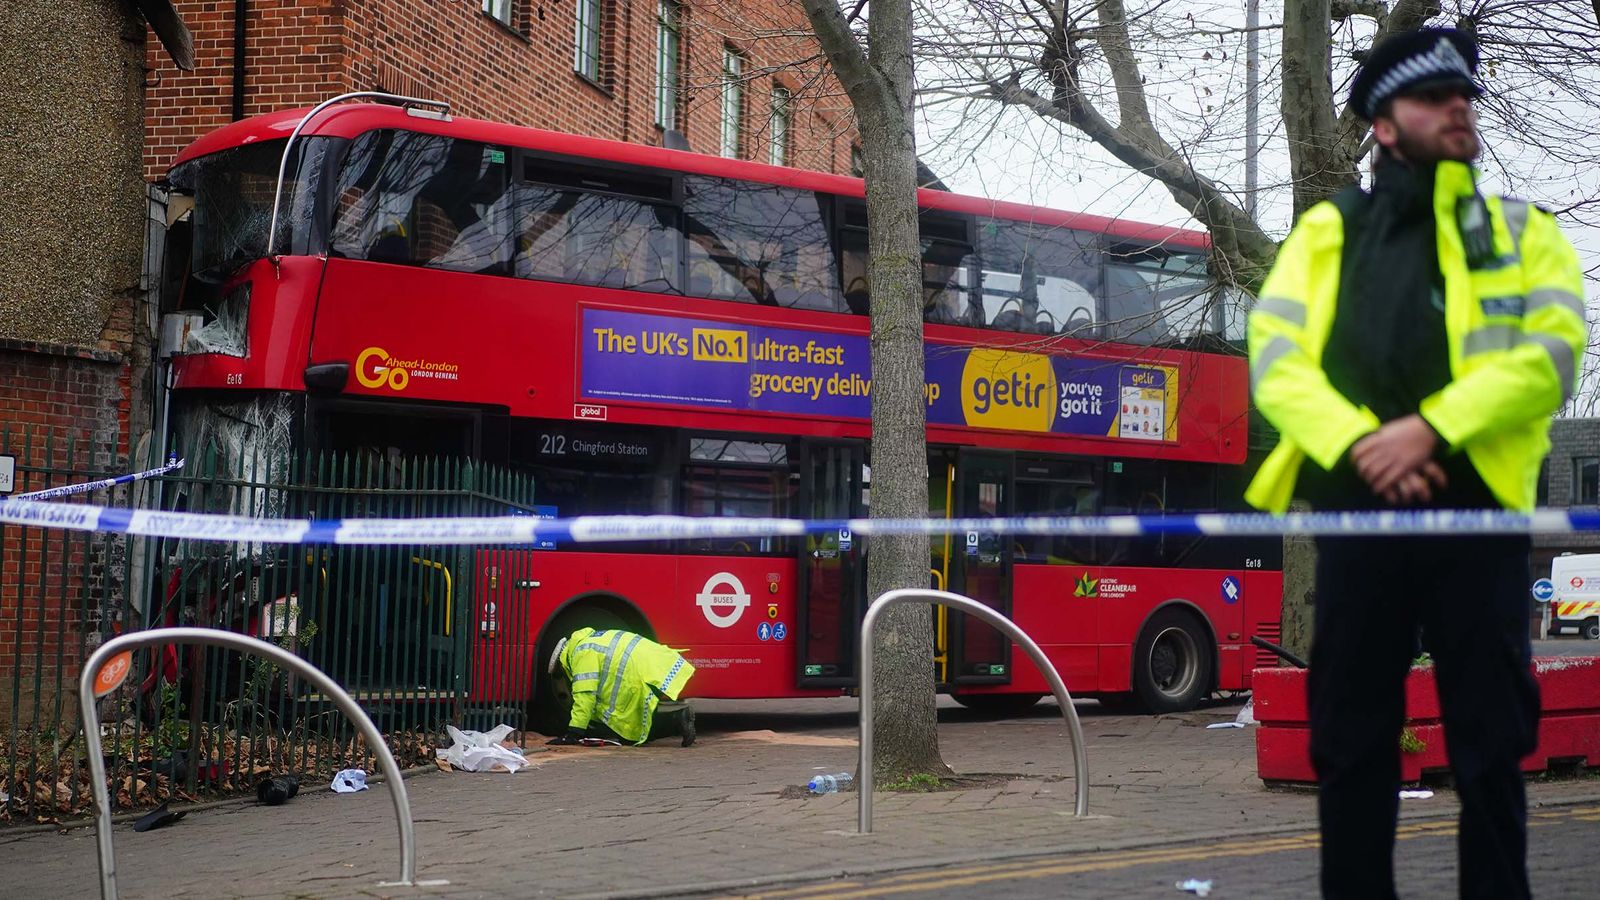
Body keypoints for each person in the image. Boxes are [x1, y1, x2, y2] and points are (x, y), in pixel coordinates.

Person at [1245, 27, 1587, 900]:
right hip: (1358, 512)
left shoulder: (1521, 230)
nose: (1459, 105)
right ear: (1385, 126)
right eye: (1436, 96)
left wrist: (1428, 429)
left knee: (1492, 742)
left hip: (1481, 518)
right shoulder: (1329, 231)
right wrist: (1369, 443)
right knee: (1352, 742)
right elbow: (1278, 360)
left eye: (1464, 93)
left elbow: (1552, 357)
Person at [546, 627, 697, 747]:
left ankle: (678, 720)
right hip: (652, 664)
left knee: (630, 733)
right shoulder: (589, 641)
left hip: (639, 675)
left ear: (561, 663)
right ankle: (679, 720)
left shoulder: (580, 655)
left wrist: (574, 733)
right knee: (636, 726)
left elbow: (586, 696)